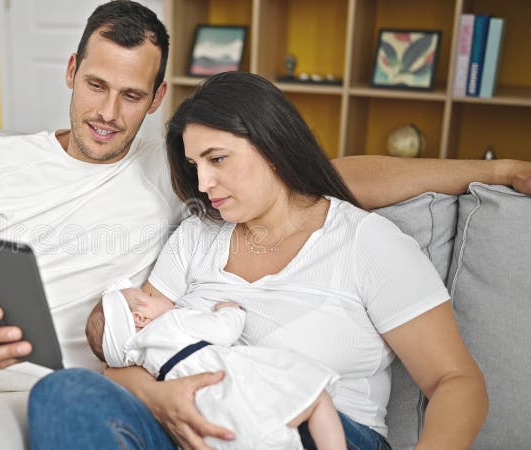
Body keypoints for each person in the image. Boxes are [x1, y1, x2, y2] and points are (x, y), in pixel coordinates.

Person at [0, 2, 527, 448]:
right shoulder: (34, 168)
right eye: (96, 85)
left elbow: (326, 178)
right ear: (71, 73)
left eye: (132, 95)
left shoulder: (192, 178)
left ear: (155, 99)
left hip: (88, 399)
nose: (108, 112)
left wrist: (486, 172)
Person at [27, 71, 491, 450]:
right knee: (63, 392)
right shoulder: (196, 237)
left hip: (316, 432)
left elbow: (455, 380)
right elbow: (128, 349)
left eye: (217, 159)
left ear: (272, 146)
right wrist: (161, 396)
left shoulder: (367, 243)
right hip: (197, 426)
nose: (203, 183)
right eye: (194, 166)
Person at [87, 282, 345, 450]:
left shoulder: (140, 360)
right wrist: (231, 311)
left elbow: (112, 371)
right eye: (149, 296)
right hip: (244, 400)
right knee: (315, 397)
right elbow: (224, 331)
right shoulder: (173, 322)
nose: (155, 295)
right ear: (140, 318)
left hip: (211, 429)